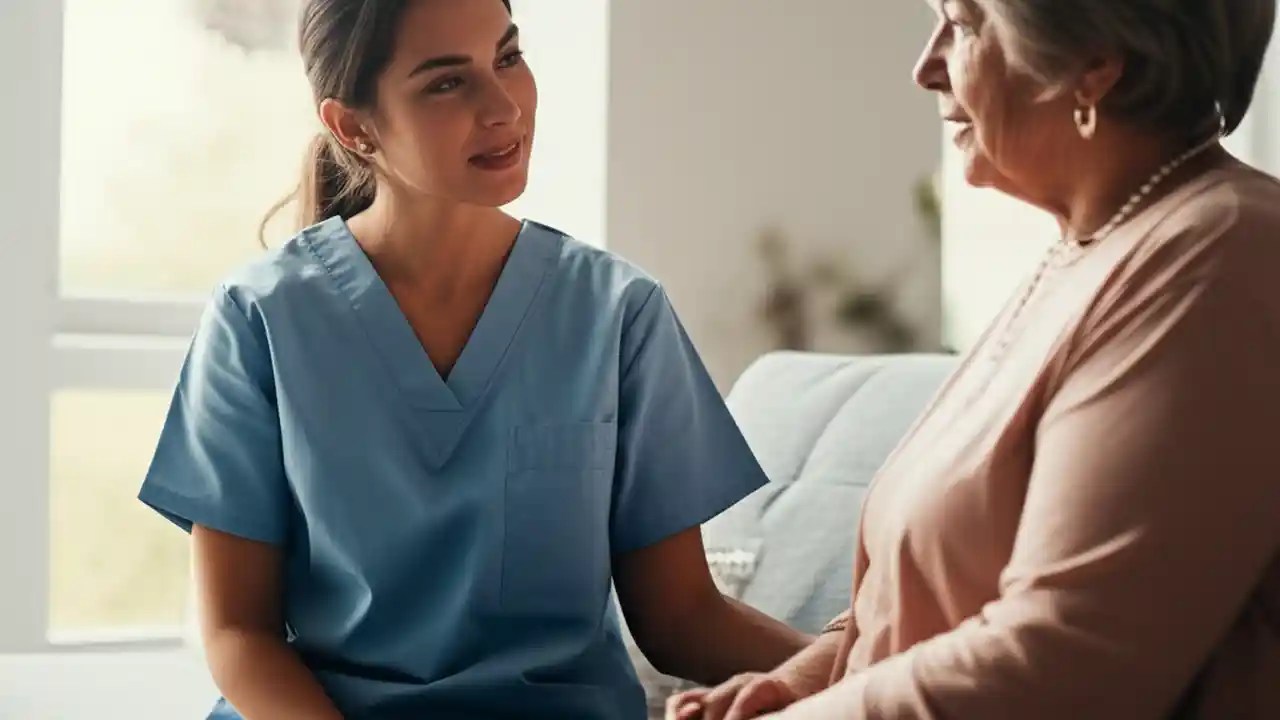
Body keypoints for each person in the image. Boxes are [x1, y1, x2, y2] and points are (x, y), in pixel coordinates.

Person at [138, 1, 809, 718]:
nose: (504, 107)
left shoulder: (618, 313)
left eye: (508, 57)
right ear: (352, 126)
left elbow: (682, 618)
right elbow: (240, 633)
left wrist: (872, 659)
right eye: (446, 83)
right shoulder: (259, 317)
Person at [670, 0, 1280, 718]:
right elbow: (931, 593)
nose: (926, 68)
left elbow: (1066, 658)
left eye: (961, 24)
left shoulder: (1219, 260)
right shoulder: (1089, 248)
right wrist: (803, 682)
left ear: (1094, 66)